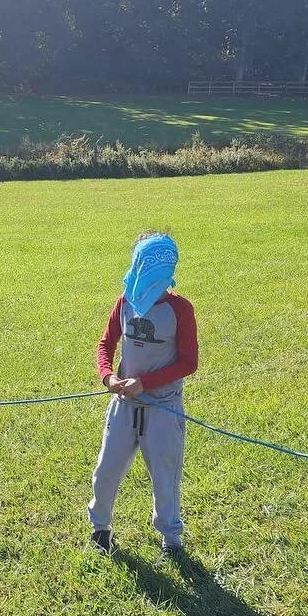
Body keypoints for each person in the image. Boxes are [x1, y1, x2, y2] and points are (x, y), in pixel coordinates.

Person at [86, 231, 198, 558]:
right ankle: (100, 530)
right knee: (106, 470)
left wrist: (147, 383)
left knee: (166, 476)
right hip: (123, 406)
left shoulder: (180, 310)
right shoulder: (124, 302)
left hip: (163, 408)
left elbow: (189, 362)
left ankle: (171, 540)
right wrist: (108, 377)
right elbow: (105, 344)